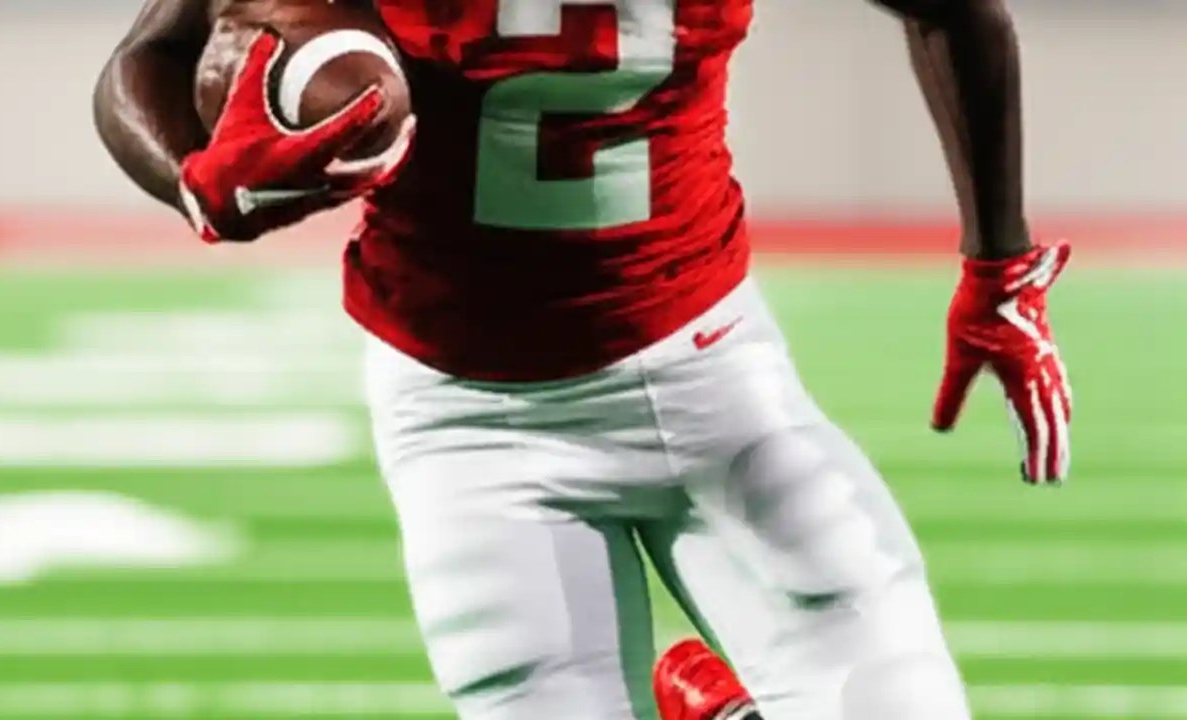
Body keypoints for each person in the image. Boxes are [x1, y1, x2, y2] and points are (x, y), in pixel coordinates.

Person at [94, 0, 1072, 717]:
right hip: (469, 420)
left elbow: (953, 11)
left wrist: (999, 267)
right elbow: (150, 53)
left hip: (712, 379)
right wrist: (196, 183)